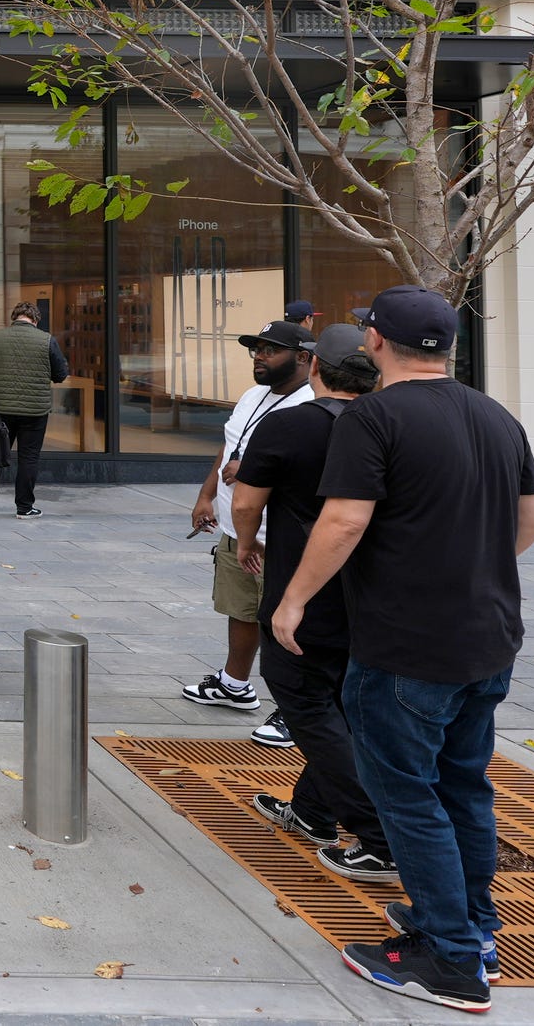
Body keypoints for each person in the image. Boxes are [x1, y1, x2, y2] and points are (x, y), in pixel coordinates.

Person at [276, 285, 534, 1014]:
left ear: (375, 342)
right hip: (487, 639)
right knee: (464, 785)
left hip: (405, 648)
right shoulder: (497, 415)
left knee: (408, 797)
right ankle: (474, 925)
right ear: (448, 347)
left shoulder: (374, 417)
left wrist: (295, 599)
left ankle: (448, 957)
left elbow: (341, 522)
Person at [230, 322, 396, 884]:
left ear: (315, 368)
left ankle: (377, 833)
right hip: (373, 592)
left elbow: (248, 501)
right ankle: (312, 810)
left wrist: (247, 542)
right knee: (343, 704)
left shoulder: (289, 424)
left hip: (302, 587)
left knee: (306, 703)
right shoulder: (389, 423)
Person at [179, 318, 313, 749]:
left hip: (282, 536)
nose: (259, 355)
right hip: (239, 527)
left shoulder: (313, 405)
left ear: (304, 358)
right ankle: (235, 685)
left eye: (270, 349)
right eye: (256, 347)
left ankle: (297, 709)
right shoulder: (253, 395)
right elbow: (228, 446)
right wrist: (206, 494)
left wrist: (252, 470)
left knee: (287, 622)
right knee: (241, 609)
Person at [0, 301, 67, 518]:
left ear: (14, 318)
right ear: (35, 320)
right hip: (35, 411)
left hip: (1, 409)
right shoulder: (47, 340)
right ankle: (24, 507)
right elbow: (60, 374)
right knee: (29, 458)